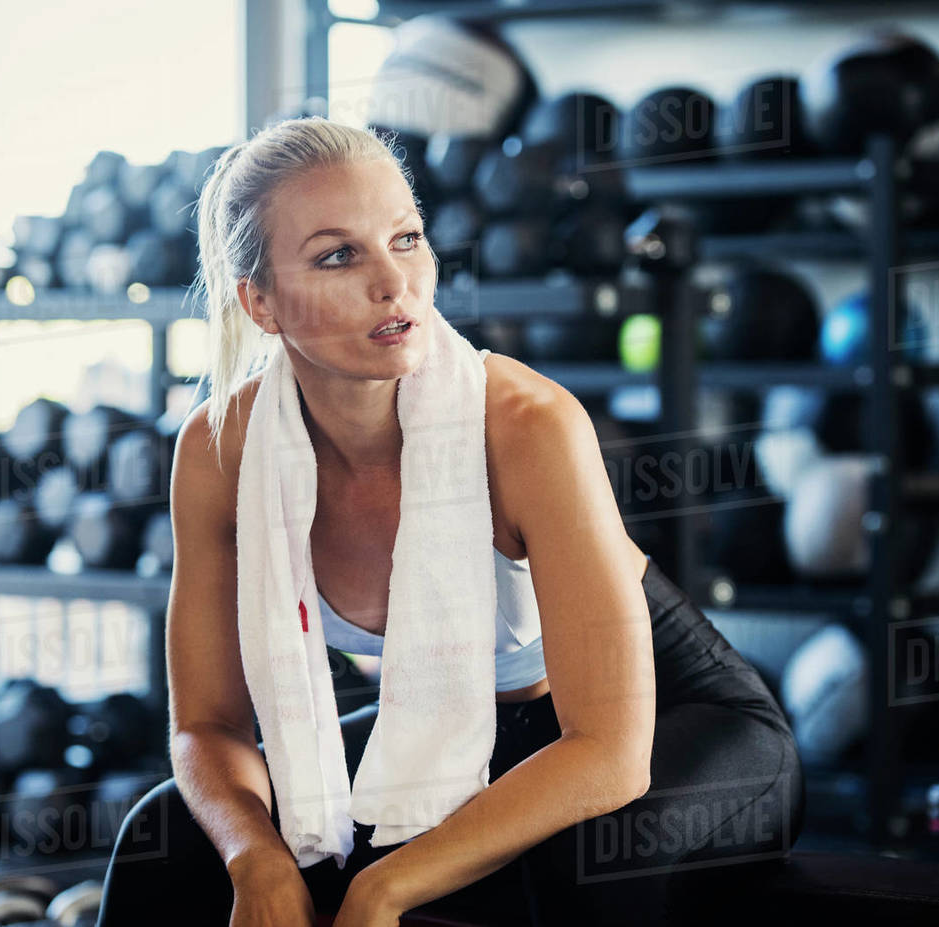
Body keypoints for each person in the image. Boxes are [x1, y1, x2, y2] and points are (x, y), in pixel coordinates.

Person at [96, 117, 804, 927]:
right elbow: (208, 724)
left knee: (592, 862)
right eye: (338, 255)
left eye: (405, 239)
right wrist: (255, 857)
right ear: (259, 302)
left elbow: (608, 754)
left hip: (680, 725)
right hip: (458, 724)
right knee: (165, 832)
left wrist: (384, 884)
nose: (394, 283)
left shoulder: (527, 425)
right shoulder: (221, 450)